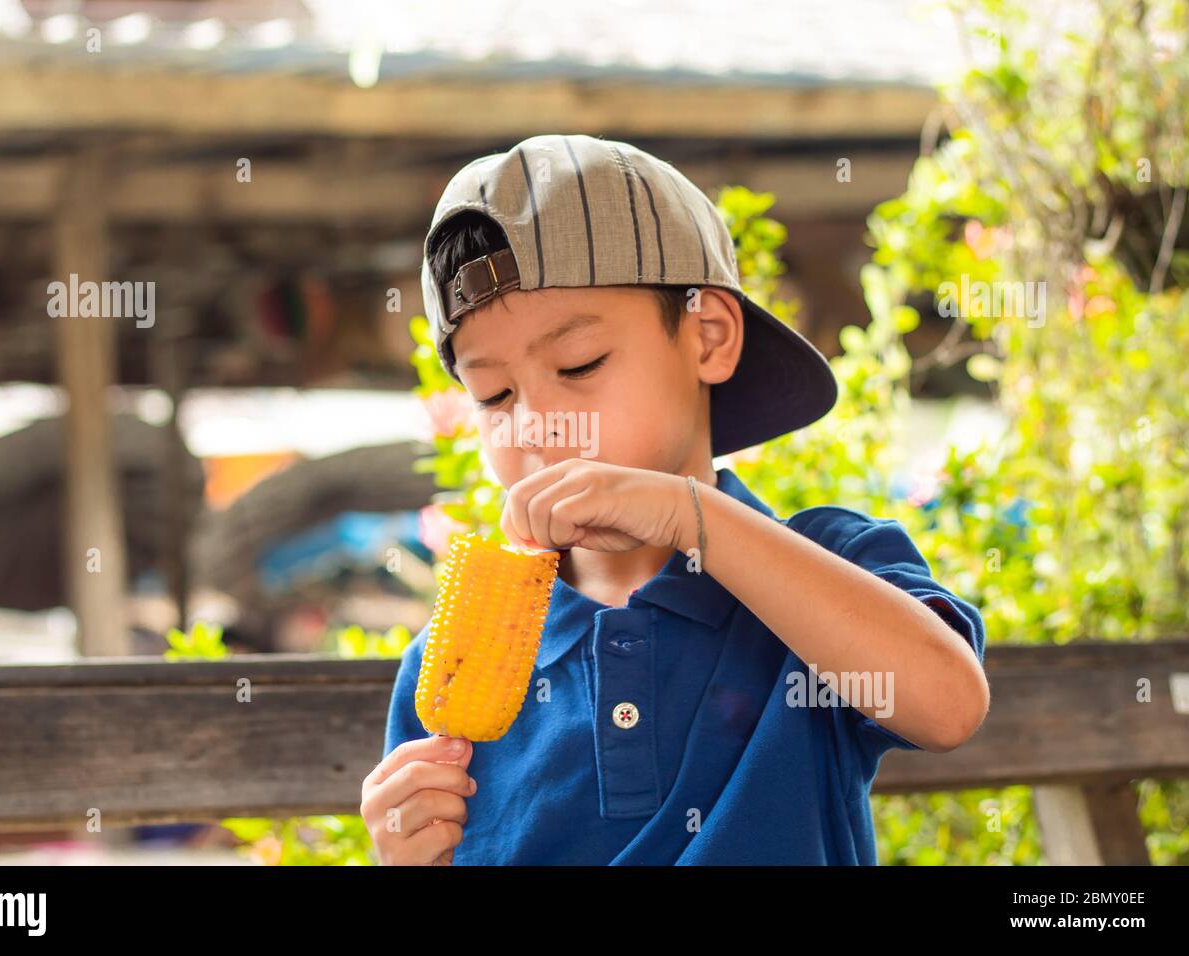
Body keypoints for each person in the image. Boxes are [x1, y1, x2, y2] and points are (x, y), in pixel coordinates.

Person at [360, 133, 989, 865]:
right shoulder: (448, 669)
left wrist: (693, 516)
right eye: (493, 394)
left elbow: (948, 708)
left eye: (578, 363)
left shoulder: (829, 566)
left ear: (710, 337)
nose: (536, 424)